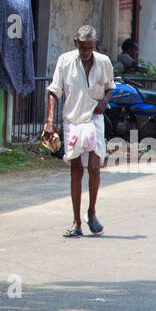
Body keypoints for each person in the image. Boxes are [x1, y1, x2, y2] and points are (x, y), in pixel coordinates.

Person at [44, 25, 114, 237]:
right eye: (82, 47)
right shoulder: (65, 61)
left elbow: (110, 87)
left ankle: (91, 212)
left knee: (94, 166)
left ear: (95, 45)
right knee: (76, 169)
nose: (85, 52)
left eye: (89, 48)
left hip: (94, 117)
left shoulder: (104, 62)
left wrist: (105, 101)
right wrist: (49, 120)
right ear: (76, 44)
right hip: (73, 120)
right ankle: (76, 221)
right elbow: (54, 92)